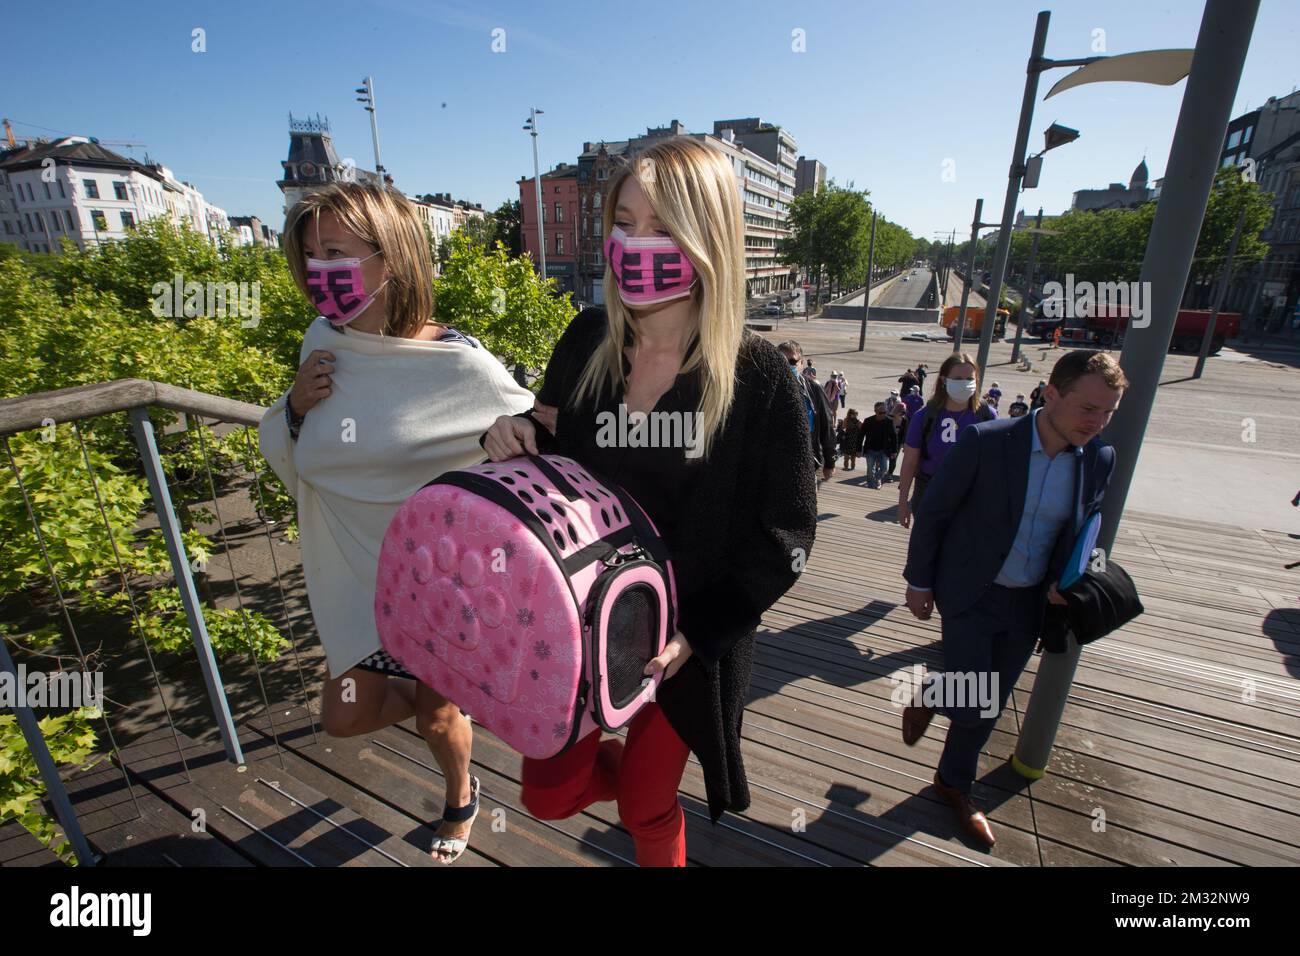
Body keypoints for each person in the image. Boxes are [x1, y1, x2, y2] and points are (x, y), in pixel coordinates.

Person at [482, 137, 818, 866]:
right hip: (577, 626)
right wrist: (514, 433)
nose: (635, 245)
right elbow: (552, 443)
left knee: (645, 805)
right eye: (625, 222)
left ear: (708, 240)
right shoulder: (585, 338)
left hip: (682, 641)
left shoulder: (759, 379)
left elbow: (786, 537)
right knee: (547, 796)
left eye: (662, 227)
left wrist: (700, 631)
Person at [258, 182, 537, 863]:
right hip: (351, 581)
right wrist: (290, 409)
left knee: (438, 716)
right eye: (310, 253)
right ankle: (452, 704)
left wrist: (514, 431)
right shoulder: (319, 340)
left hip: (433, 587)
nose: (319, 270)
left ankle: (460, 795)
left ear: (394, 258)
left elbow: (535, 428)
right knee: (345, 716)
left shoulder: (458, 362)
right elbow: (293, 448)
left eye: (337, 252)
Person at [899, 350, 1127, 848]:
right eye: (1089, 408)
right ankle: (956, 785)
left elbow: (1087, 530)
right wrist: (919, 582)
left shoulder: (1100, 458)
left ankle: (934, 699)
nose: (1098, 422)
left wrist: (1069, 578)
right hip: (969, 593)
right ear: (1050, 395)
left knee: (992, 699)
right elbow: (935, 513)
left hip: (1029, 605)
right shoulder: (988, 441)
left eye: (1109, 412)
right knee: (978, 702)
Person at [896, 352, 995, 528]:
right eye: (957, 378)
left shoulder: (986, 416)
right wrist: (903, 503)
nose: (964, 384)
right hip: (931, 490)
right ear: (944, 380)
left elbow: (996, 462)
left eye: (969, 379)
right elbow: (910, 462)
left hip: (970, 495)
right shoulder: (925, 417)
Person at [780, 340, 837, 482]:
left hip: (806, 460)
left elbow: (827, 423)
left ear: (802, 363)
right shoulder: (766, 389)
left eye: (792, 361)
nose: (787, 365)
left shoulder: (814, 388)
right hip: (775, 461)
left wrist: (830, 461)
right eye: (781, 361)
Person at [861, 402, 897, 489]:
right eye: (881, 413)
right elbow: (861, 435)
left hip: (883, 450)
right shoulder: (868, 421)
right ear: (875, 411)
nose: (883, 414)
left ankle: (878, 479)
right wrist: (858, 449)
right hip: (870, 449)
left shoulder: (889, 421)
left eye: (885, 412)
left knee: (884, 468)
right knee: (870, 469)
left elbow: (894, 437)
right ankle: (870, 483)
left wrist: (894, 451)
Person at [886, 404, 908, 482]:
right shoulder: (889, 418)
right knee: (883, 457)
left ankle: (890, 474)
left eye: (904, 413)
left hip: (897, 443)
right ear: (896, 411)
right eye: (901, 412)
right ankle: (880, 471)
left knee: (893, 458)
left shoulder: (905, 420)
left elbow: (905, 433)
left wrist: (903, 444)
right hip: (887, 441)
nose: (902, 415)